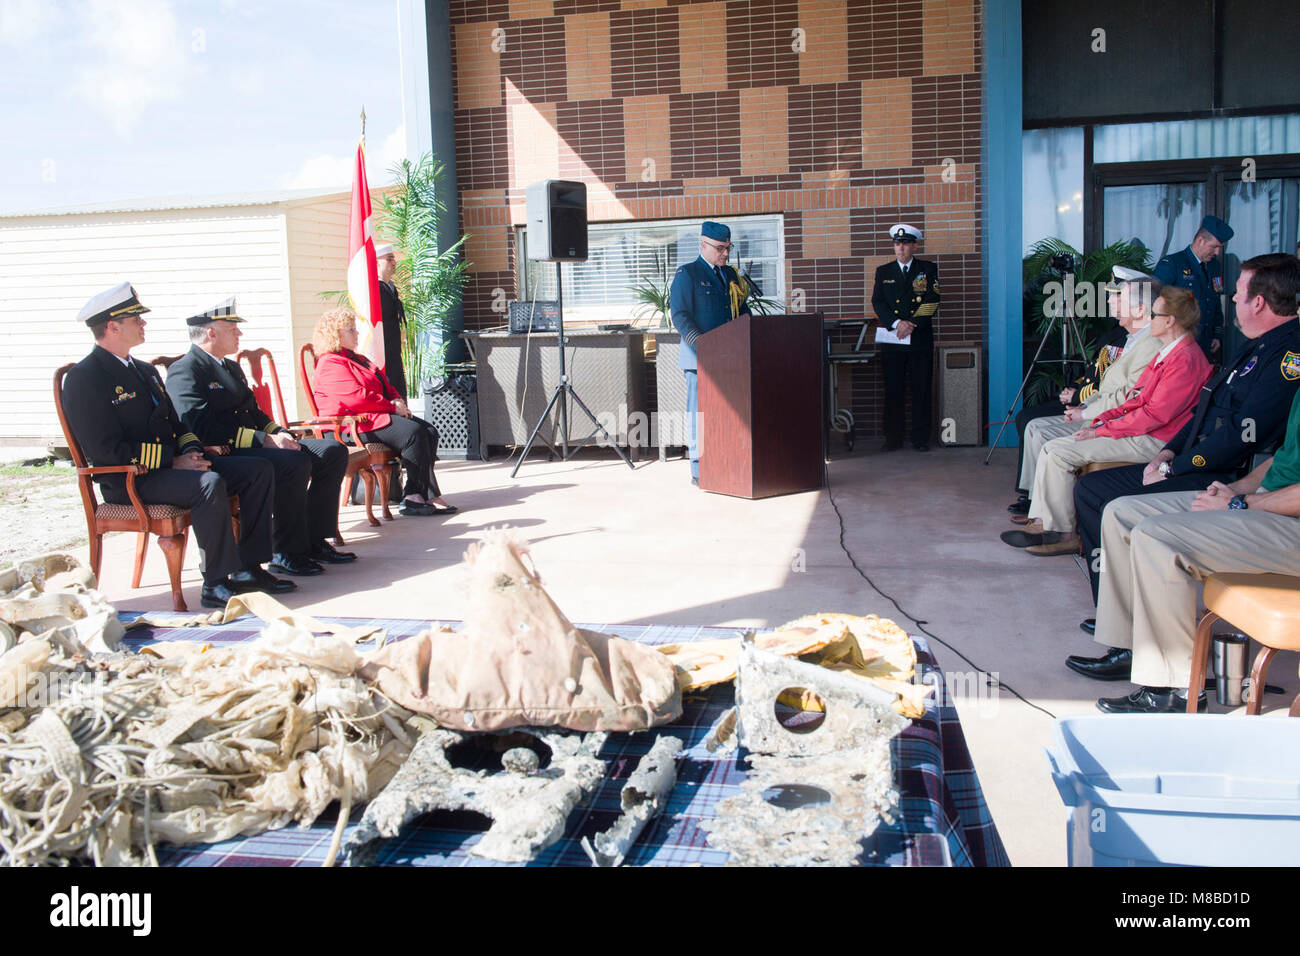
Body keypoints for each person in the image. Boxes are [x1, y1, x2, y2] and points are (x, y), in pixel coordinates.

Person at [1068, 252, 1300, 626]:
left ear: (1258, 302)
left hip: (1220, 471)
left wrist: (1180, 467)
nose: (1233, 300)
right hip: (1218, 469)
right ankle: (1119, 618)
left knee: (1114, 506)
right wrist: (1169, 452)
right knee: (1099, 495)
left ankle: (1131, 631)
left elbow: (1243, 434)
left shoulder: (1287, 354)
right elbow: (1203, 413)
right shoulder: (1256, 345)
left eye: (1238, 293)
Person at [1068, 386, 1300, 714]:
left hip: (1290, 523)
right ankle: (1133, 649)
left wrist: (1241, 503)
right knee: (1122, 513)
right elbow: (1283, 459)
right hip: (1265, 501)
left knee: (1156, 537)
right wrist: (1234, 490)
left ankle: (1173, 690)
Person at [60, 282, 289, 609]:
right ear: (112, 327)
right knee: (208, 484)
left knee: (256, 469)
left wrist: (192, 450)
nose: (144, 324)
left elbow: (177, 423)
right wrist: (172, 460)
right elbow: (104, 450)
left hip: (168, 469)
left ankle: (247, 568)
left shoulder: (143, 370)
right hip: (129, 478)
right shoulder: (86, 377)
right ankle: (215, 582)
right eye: (136, 320)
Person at [1010, 287, 1211, 556]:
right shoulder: (1169, 353)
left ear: (1170, 320)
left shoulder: (1184, 360)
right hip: (1139, 431)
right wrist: (1101, 422)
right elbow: (1135, 400)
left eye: (1153, 314)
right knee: (1056, 446)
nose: (1148, 319)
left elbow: (1153, 416)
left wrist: (1101, 431)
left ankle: (1062, 533)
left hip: (1154, 440)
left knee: (1058, 451)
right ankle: (1048, 523)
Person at [165, 297, 355, 575]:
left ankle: (314, 539)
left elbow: (254, 413)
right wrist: (262, 440)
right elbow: (201, 428)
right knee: (293, 464)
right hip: (229, 452)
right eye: (233, 329)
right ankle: (286, 551)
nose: (239, 334)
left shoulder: (229, 367)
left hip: (256, 444)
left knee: (331, 451)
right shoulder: (186, 370)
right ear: (211, 332)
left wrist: (278, 432)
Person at [1010, 266, 1163, 519]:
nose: (1109, 301)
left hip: (1122, 425)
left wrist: (1086, 413)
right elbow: (1105, 384)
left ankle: (1051, 522)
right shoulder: (1128, 337)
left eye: (1117, 297)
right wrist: (1084, 405)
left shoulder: (1150, 343)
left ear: (1140, 309)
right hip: (1104, 414)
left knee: (1050, 445)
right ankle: (1037, 504)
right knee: (1036, 429)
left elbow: (1130, 397)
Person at [310, 308, 457, 517]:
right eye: (351, 330)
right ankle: (413, 497)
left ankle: (426, 493)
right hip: (349, 425)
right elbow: (357, 398)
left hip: (372, 417)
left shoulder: (357, 358)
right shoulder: (329, 363)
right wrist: (391, 407)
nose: (357, 333)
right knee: (413, 433)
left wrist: (396, 399)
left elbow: (384, 383)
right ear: (335, 335)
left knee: (429, 431)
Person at [1008, 318, 1129, 513]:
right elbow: (1096, 372)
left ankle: (1045, 516)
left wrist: (1081, 400)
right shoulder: (1121, 335)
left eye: (1118, 298)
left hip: (1105, 415)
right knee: (1028, 420)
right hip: (1090, 403)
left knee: (1044, 438)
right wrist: (1077, 391)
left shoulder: (1137, 343)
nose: (1110, 302)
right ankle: (1033, 498)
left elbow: (1119, 393)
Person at [669, 220, 751, 485]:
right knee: (700, 416)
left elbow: (742, 309)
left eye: (728, 247)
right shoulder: (688, 274)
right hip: (699, 359)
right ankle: (699, 469)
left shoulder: (729, 276)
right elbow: (680, 315)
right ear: (703, 245)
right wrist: (702, 344)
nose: (725, 254)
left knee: (729, 414)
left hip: (729, 359)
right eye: (719, 248)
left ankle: (727, 462)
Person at [872, 224, 940, 451]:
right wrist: (896, 323)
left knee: (921, 389)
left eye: (905, 243)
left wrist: (910, 324)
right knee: (894, 390)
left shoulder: (927, 269)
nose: (900, 248)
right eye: (897, 243)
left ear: (914, 245)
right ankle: (893, 438)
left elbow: (932, 300)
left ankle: (920, 439)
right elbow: (878, 302)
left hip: (919, 339)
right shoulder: (884, 272)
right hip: (894, 340)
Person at [1152, 214, 1233, 360]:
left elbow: (1215, 300)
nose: (1217, 253)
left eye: (1220, 248)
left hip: (1205, 341)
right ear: (1200, 241)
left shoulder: (1214, 266)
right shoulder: (1172, 263)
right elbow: (1156, 301)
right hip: (1179, 342)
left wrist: (1216, 334)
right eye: (1214, 247)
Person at [375, 244, 409, 400]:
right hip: (382, 352)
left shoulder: (390, 287)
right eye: (389, 259)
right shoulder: (374, 289)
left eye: (394, 258)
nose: (394, 262)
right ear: (376, 262)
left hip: (394, 351)